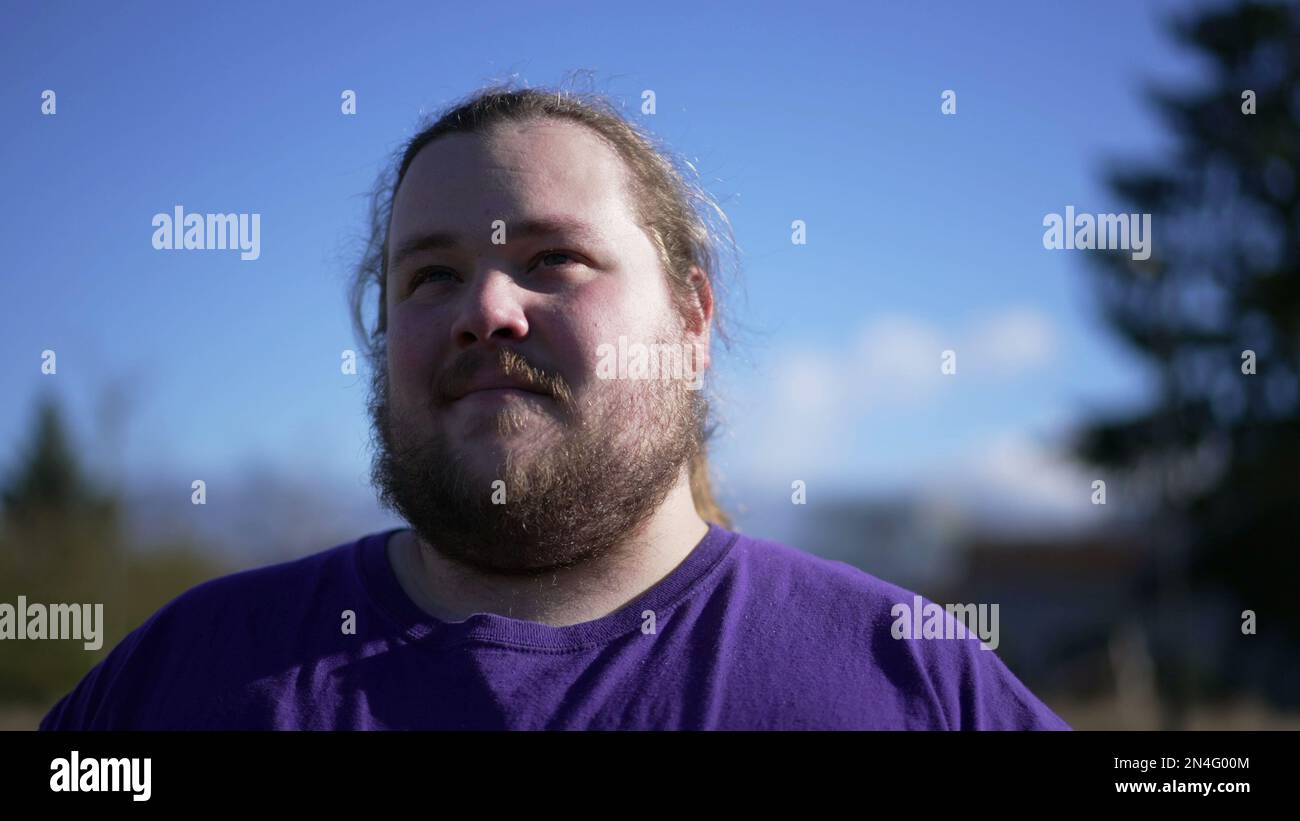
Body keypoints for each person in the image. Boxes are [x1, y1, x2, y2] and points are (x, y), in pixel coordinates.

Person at [41, 85, 1069, 730]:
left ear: (691, 317)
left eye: (552, 260)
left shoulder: (910, 680)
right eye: (429, 275)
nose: (485, 308)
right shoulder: (185, 675)